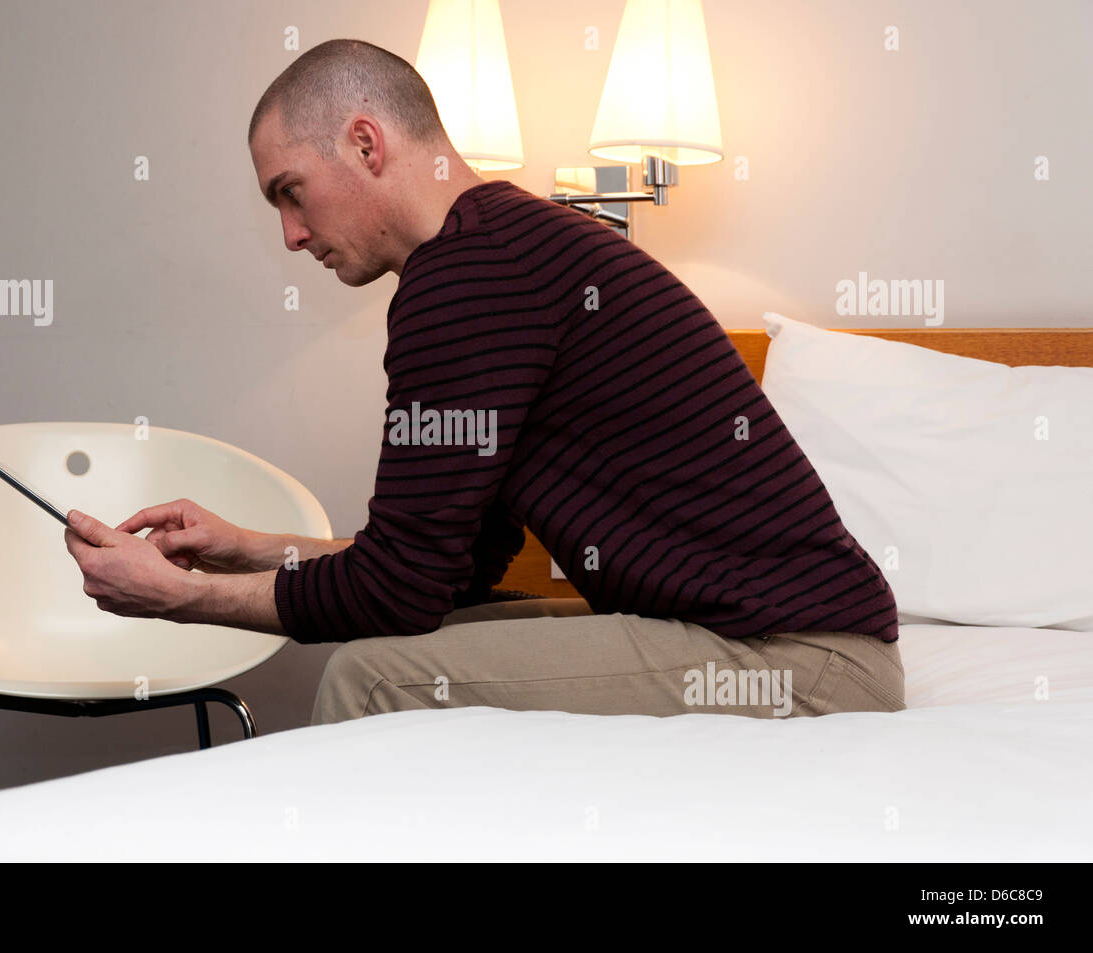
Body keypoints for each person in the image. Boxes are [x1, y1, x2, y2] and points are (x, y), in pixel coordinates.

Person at [63, 38, 905, 726]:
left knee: (370, 678)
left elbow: (394, 590)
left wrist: (183, 597)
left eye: (292, 193)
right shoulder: (507, 249)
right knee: (434, 639)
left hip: (799, 658)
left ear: (365, 142)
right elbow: (445, 570)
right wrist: (243, 546)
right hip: (786, 641)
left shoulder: (467, 278)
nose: (289, 235)